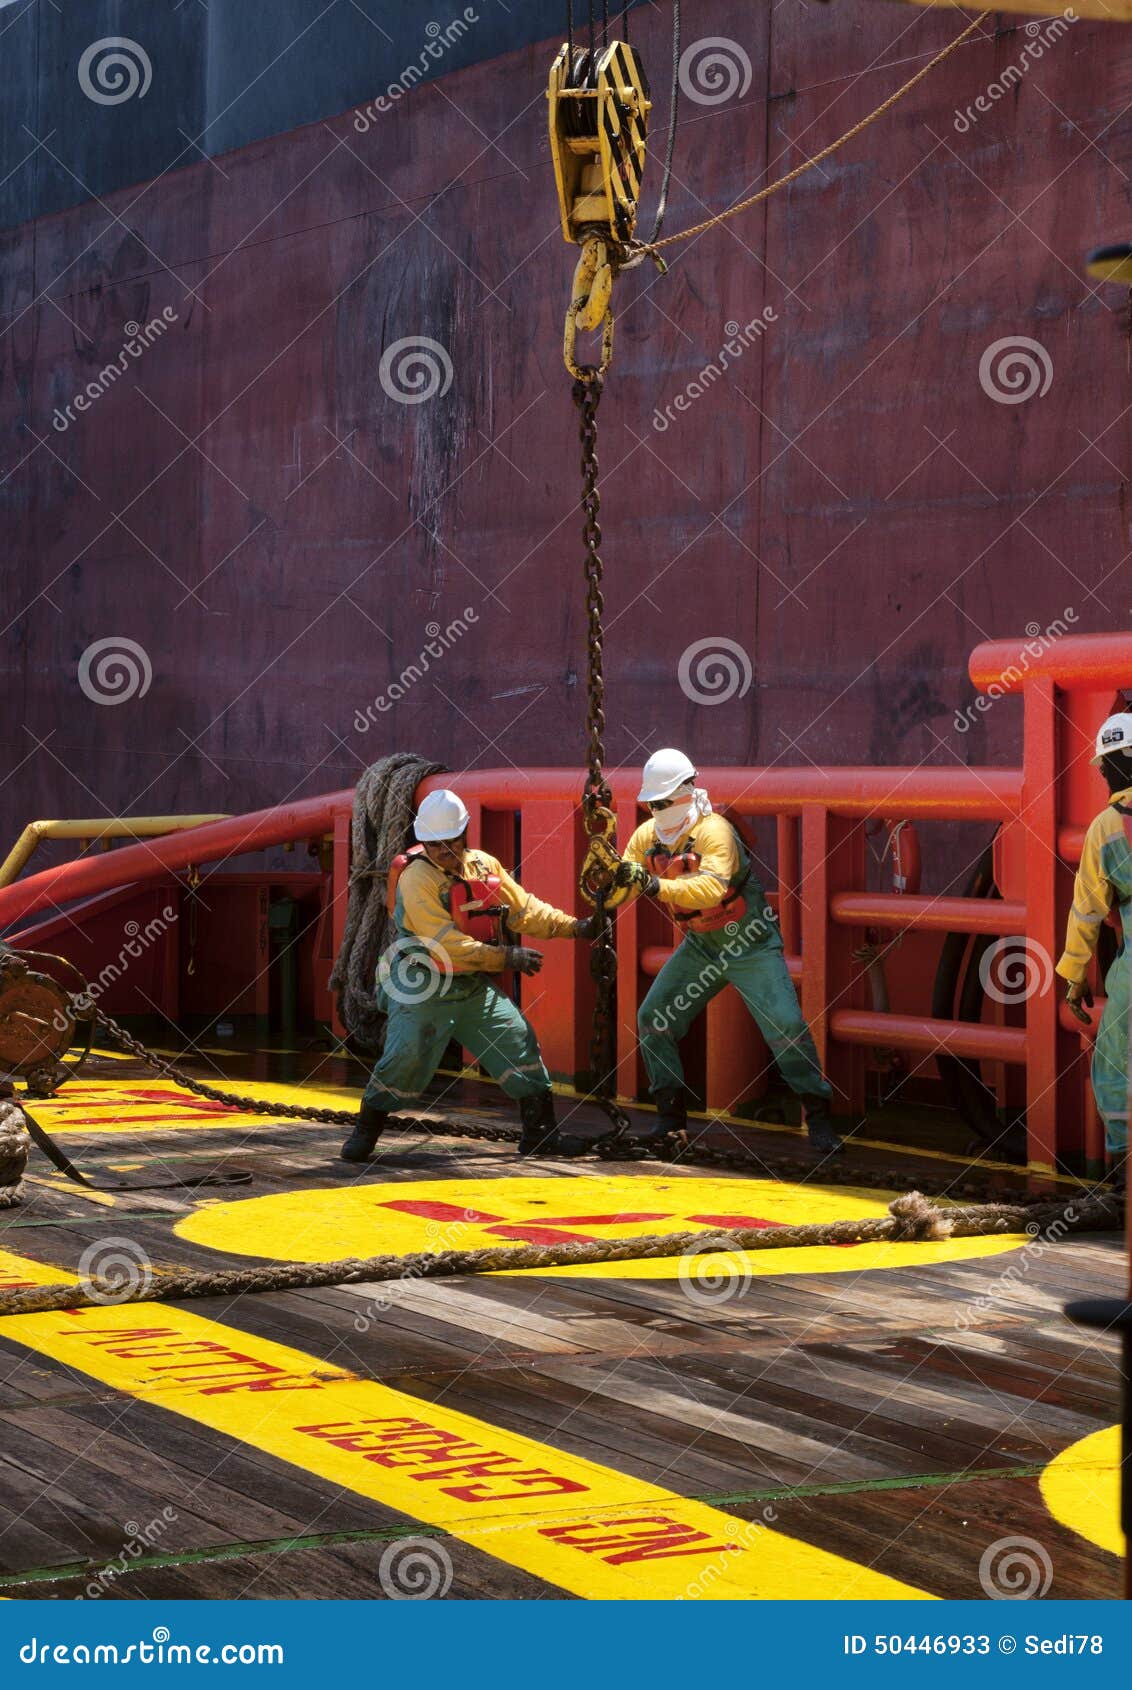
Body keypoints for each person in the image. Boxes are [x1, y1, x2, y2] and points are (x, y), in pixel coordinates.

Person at [340, 788, 596, 1162]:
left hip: (469, 979)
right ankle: (367, 1130)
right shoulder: (417, 880)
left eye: (451, 843)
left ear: (466, 834)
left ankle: (541, 1134)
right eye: (434, 845)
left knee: (516, 1039)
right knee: (405, 1056)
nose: (444, 851)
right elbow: (445, 944)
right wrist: (506, 958)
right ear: (422, 841)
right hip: (422, 980)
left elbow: (522, 909)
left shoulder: (483, 866)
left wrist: (576, 927)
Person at [612, 749, 843, 1155]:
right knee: (654, 1018)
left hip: (748, 944)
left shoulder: (714, 831)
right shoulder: (646, 837)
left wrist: (653, 886)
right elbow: (622, 881)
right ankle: (670, 1119)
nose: (658, 810)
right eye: (652, 803)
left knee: (786, 1027)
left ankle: (820, 1116)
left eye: (665, 801)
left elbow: (711, 888)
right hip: (701, 945)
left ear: (688, 792)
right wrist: (608, 880)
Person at [1058, 712, 1132, 1180]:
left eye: (1105, 766)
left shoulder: (1107, 827)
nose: (1102, 774)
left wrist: (1073, 974)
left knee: (1115, 1061)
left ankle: (1124, 1172)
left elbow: (1087, 909)